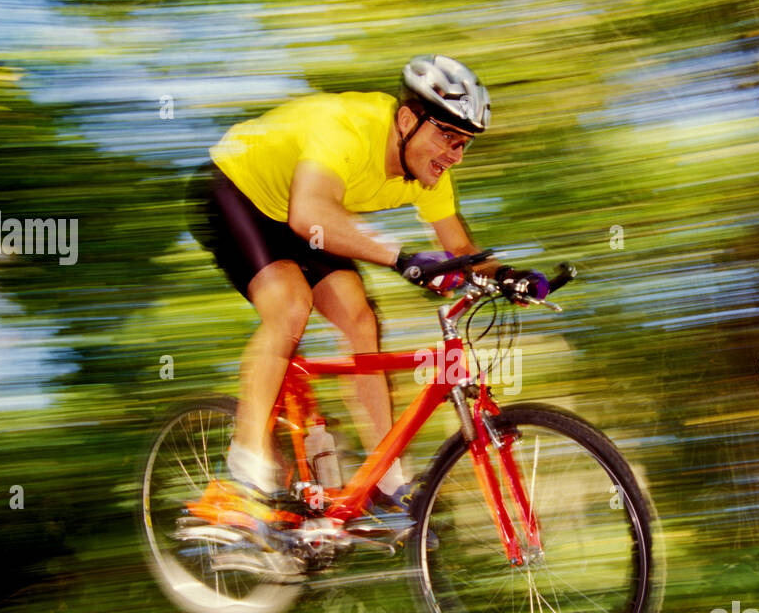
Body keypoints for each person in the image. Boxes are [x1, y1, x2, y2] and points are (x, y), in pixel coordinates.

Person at [186, 55, 545, 528]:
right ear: (407, 120)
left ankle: (385, 477)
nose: (455, 155)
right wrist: (401, 258)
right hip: (238, 190)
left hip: (307, 212)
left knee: (360, 319)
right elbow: (308, 214)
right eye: (447, 136)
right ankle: (246, 466)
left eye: (464, 143)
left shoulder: (430, 171)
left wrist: (506, 275)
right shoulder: (350, 129)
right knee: (291, 306)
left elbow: (460, 249)